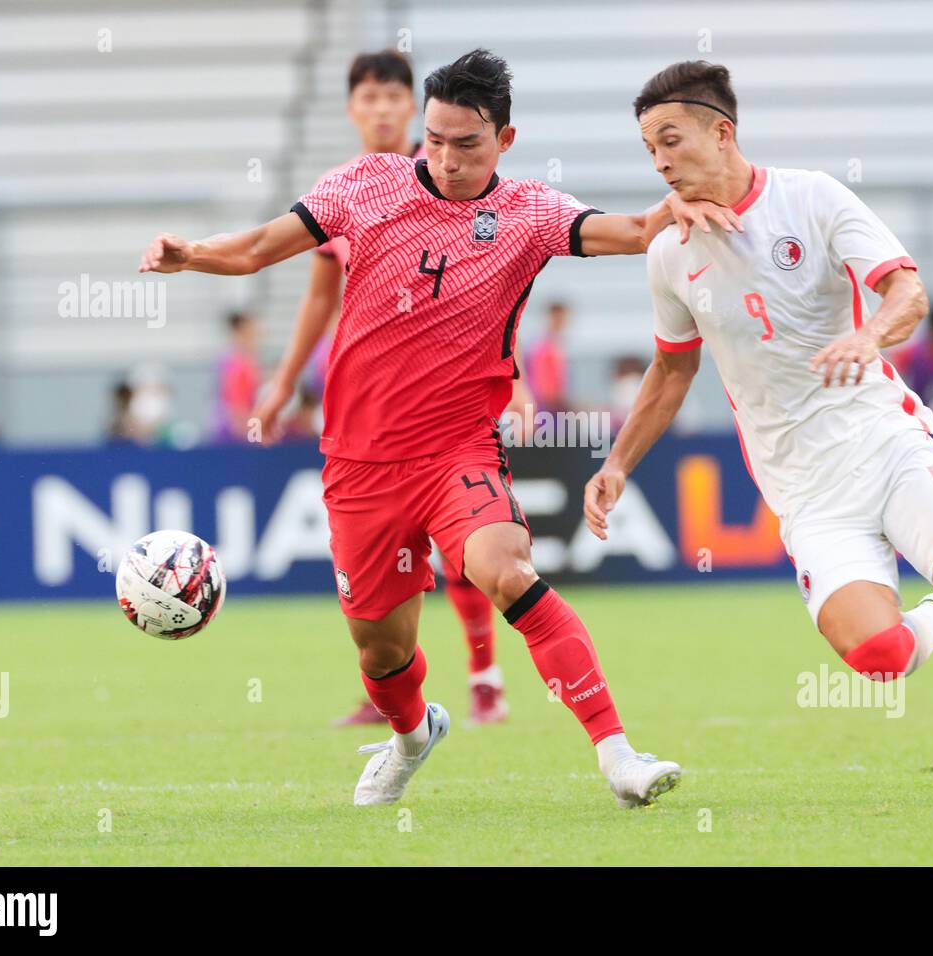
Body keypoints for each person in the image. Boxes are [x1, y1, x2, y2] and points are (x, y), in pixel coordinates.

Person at [139, 49, 740, 808]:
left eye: (469, 145)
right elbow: (261, 248)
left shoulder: (528, 214)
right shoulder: (366, 184)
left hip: (457, 451)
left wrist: (669, 213)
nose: (449, 160)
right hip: (358, 462)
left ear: (506, 140)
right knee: (381, 650)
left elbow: (625, 229)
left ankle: (618, 754)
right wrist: (191, 254)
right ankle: (414, 733)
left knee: (507, 571)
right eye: (436, 140)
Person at [584, 60, 933, 799]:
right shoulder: (668, 254)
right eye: (648, 147)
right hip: (807, 494)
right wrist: (618, 462)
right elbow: (671, 372)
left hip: (886, 443)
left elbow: (907, 290)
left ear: (722, 133)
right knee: (879, 654)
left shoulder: (812, 198)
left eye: (671, 139)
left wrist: (869, 336)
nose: (659, 159)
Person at [255, 49, 512, 727]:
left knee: (466, 542)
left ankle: (484, 672)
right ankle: (396, 689)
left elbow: (501, 275)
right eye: (366, 100)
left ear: (411, 109)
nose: (380, 111)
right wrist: (283, 382)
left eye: (392, 99)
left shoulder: (452, 178)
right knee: (380, 556)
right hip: (372, 402)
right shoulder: (350, 191)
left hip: (451, 394)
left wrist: (508, 380)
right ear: (351, 110)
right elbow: (319, 299)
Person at [213, 311, 261, 443]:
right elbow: (236, 404)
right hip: (235, 431)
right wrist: (250, 434)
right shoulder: (236, 361)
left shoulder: (245, 358)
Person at [524, 301, 570, 411]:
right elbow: (541, 381)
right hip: (545, 403)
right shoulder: (542, 345)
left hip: (552, 402)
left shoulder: (557, 343)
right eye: (558, 318)